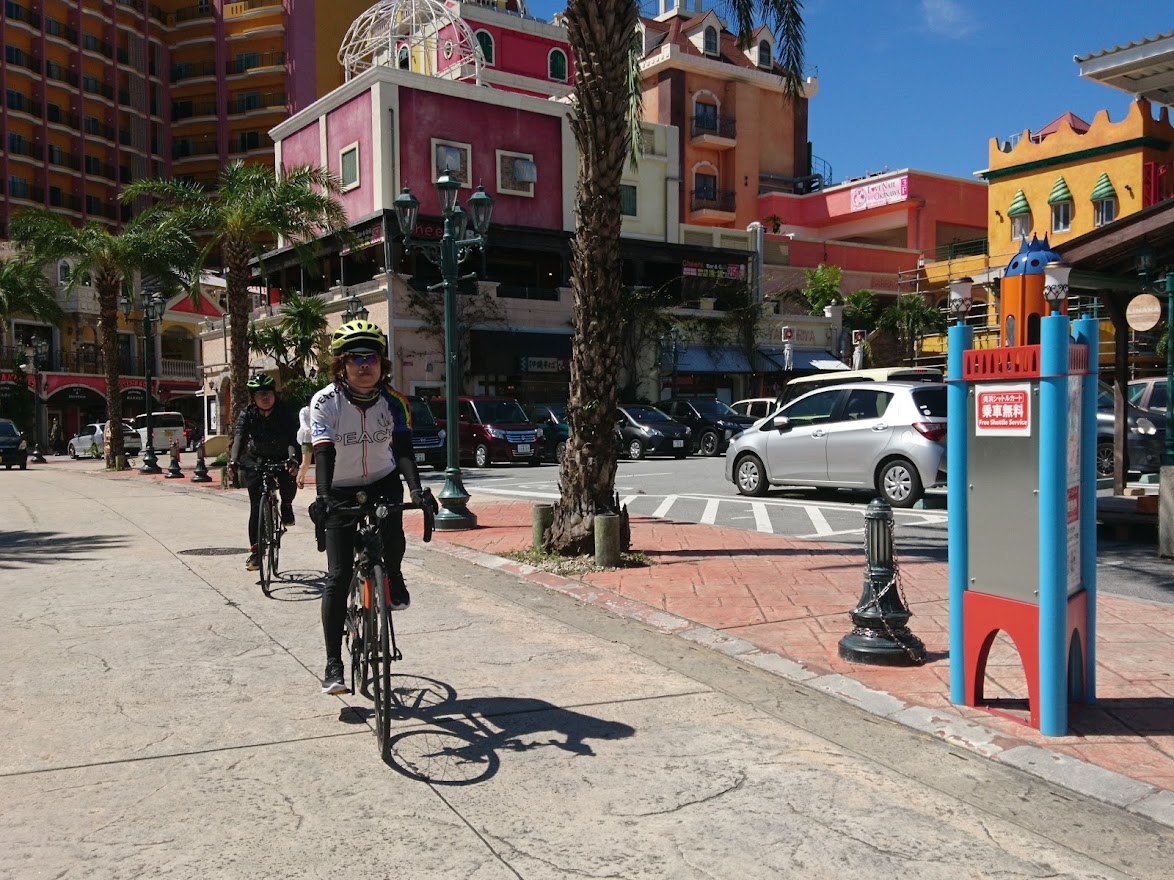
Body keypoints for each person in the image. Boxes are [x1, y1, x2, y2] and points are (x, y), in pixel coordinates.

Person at [310, 319, 435, 695]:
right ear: (342, 365)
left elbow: (404, 450)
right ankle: (333, 664)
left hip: (382, 480)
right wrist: (323, 496)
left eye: (373, 358)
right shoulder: (325, 402)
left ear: (382, 364)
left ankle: (392, 577)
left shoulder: (394, 402)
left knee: (392, 537)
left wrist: (416, 489)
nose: (366, 365)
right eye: (356, 358)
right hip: (340, 487)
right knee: (337, 575)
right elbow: (323, 452)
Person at [228, 374, 301, 572]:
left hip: (282, 454)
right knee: (255, 506)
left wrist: (293, 459)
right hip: (256, 458)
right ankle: (256, 552)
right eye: (260, 394)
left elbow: (292, 439)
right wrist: (233, 461)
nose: (265, 397)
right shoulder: (247, 414)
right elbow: (239, 437)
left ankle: (286, 506)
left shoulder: (283, 411)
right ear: (253, 397)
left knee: (288, 482)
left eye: (268, 393)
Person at [296, 404, 312, 489]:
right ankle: (299, 478)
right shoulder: (304, 411)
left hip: (318, 437)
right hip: (307, 439)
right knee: (306, 462)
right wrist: (308, 430)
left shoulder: (320, 409)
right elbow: (303, 422)